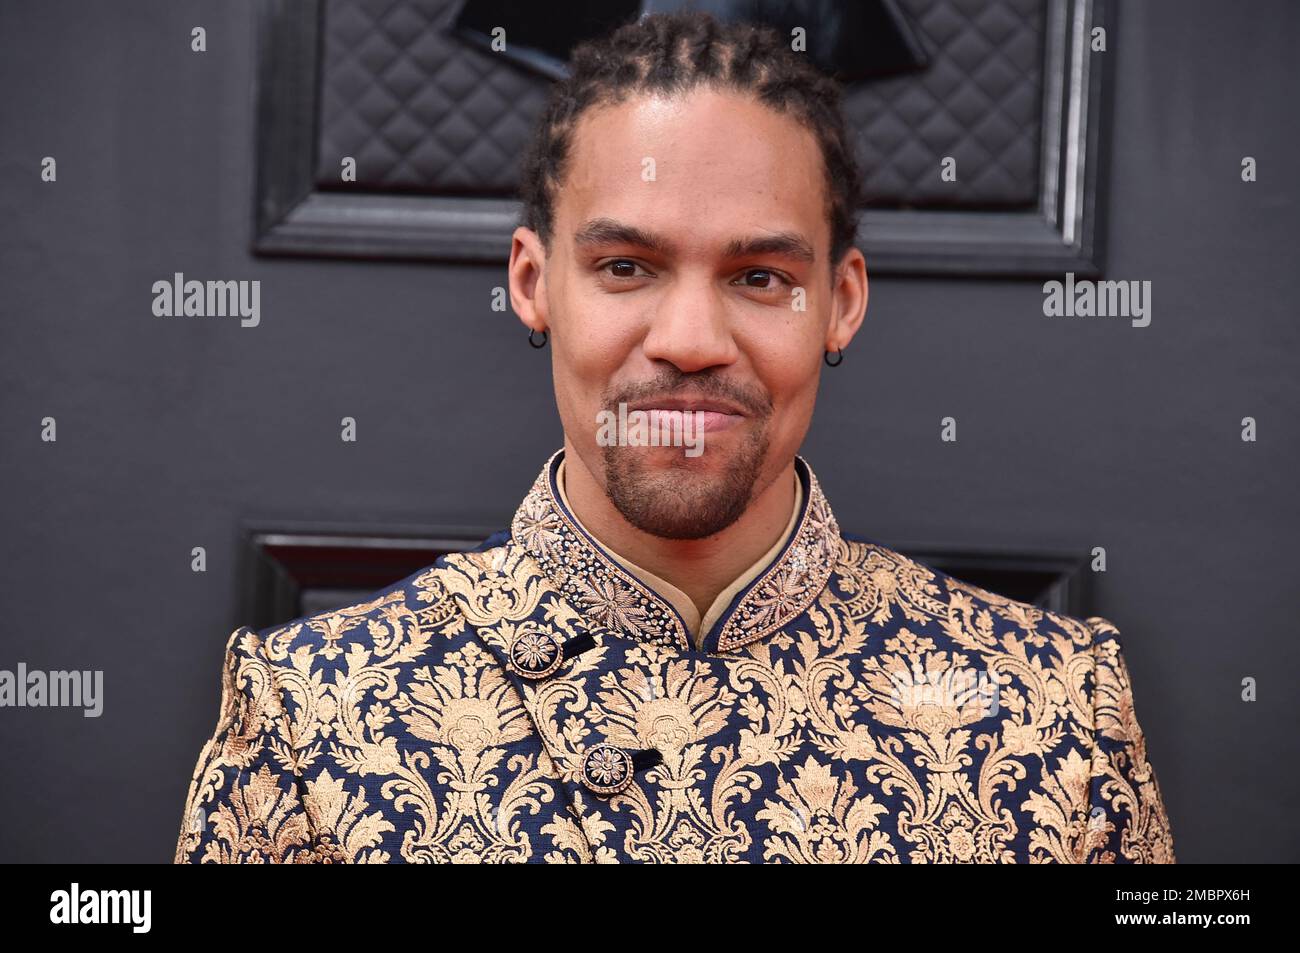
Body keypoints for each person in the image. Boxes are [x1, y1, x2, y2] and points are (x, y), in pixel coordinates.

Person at [174, 10, 1174, 863]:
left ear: (840, 301)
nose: (691, 341)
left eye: (759, 278)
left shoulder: (1051, 708)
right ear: (532, 282)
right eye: (625, 267)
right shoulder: (310, 718)